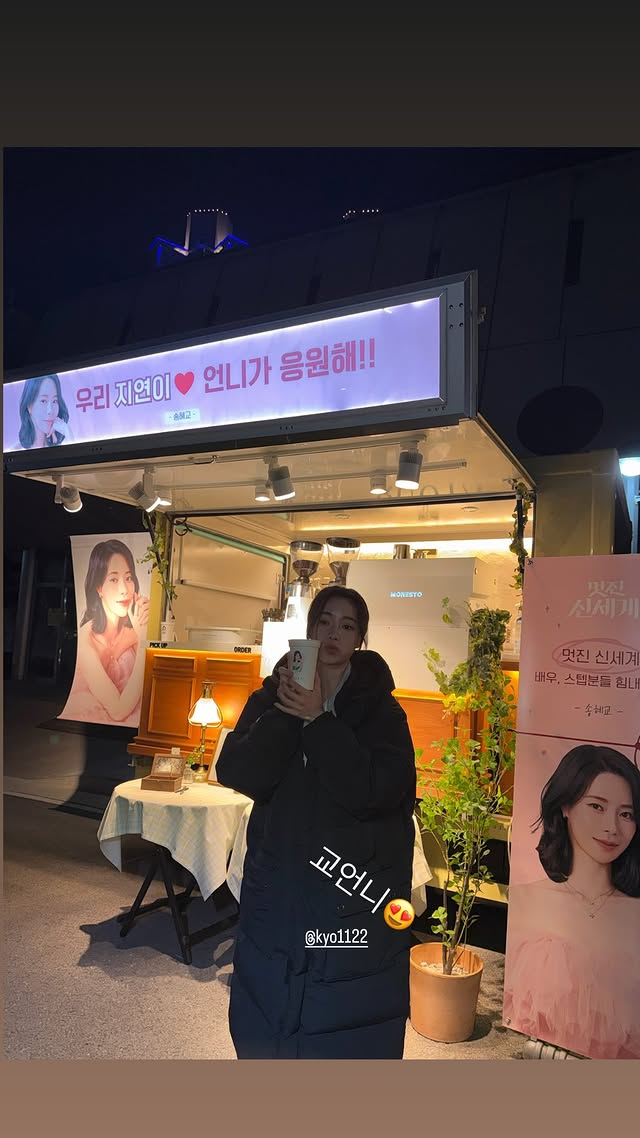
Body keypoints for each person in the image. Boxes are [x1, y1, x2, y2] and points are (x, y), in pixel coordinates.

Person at [216, 584, 417, 1059]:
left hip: (348, 889)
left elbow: (380, 793)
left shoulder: (382, 710)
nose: (333, 633)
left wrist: (321, 721)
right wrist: (289, 714)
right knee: (268, 1003)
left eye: (347, 626)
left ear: (359, 640)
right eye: (324, 621)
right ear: (310, 630)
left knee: (342, 1008)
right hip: (279, 878)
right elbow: (238, 772)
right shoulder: (273, 696)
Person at [503, 744, 640, 1059]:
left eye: (626, 814)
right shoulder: (527, 899)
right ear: (565, 806)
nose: (612, 828)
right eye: (596, 806)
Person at [59, 539, 150, 727]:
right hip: (93, 725)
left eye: (128, 578)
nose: (124, 590)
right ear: (99, 588)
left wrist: (148, 625)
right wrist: (143, 642)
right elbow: (118, 711)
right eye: (114, 579)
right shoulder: (87, 640)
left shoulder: (134, 628)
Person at [18, 374, 72, 449]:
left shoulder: (61, 447)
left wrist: (66, 430)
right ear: (29, 406)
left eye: (54, 401)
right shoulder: (14, 451)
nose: (50, 411)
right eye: (43, 401)